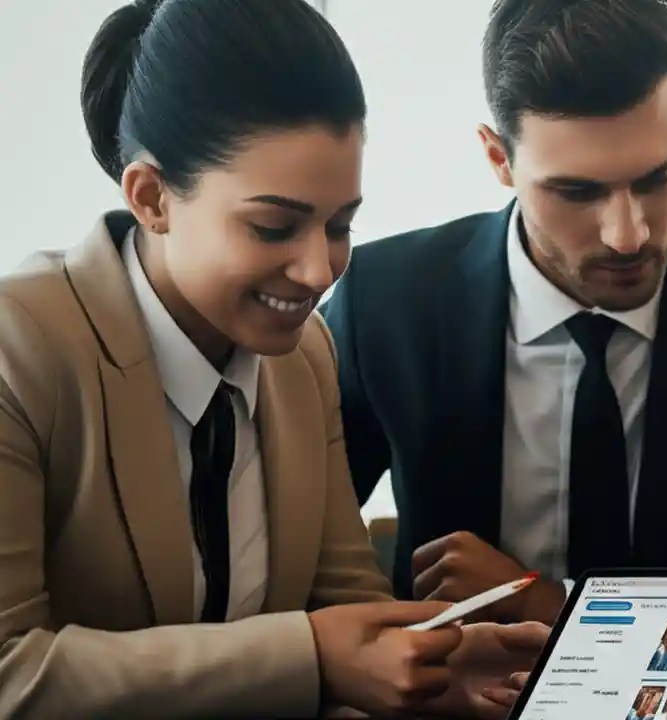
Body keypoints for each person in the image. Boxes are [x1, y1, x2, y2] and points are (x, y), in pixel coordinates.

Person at [0, 1, 546, 717]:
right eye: (273, 227)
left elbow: (349, 610)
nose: (320, 271)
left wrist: (436, 668)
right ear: (152, 197)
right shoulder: (21, 350)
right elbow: (11, 673)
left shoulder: (303, 358)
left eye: (341, 224)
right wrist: (312, 656)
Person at [322, 0, 667, 624]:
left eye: (659, 178)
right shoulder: (387, 302)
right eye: (577, 191)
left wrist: (547, 604)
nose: (629, 235)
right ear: (499, 159)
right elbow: (304, 558)